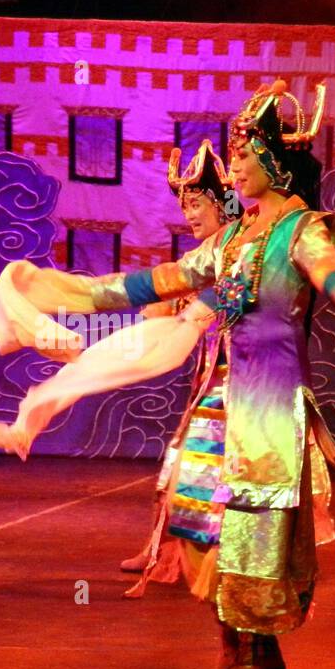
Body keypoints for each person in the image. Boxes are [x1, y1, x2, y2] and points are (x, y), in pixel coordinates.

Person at [0, 80, 335, 669]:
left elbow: (334, 276)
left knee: (250, 526)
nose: (234, 167)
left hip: (268, 404)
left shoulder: (301, 231)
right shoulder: (230, 241)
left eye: (243, 155)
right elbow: (151, 283)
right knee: (196, 516)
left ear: (274, 162)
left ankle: (254, 649)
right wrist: (62, 289)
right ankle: (241, 646)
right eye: (233, 155)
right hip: (221, 399)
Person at [118, 139, 231, 574]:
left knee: (208, 467)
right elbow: (178, 293)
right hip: (211, 377)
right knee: (186, 463)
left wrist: (177, 307)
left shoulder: (239, 247)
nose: (189, 215)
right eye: (185, 207)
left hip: (241, 379)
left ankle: (220, 557)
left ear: (223, 203)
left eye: (197, 204)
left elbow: (216, 300)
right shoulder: (202, 254)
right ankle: (165, 552)